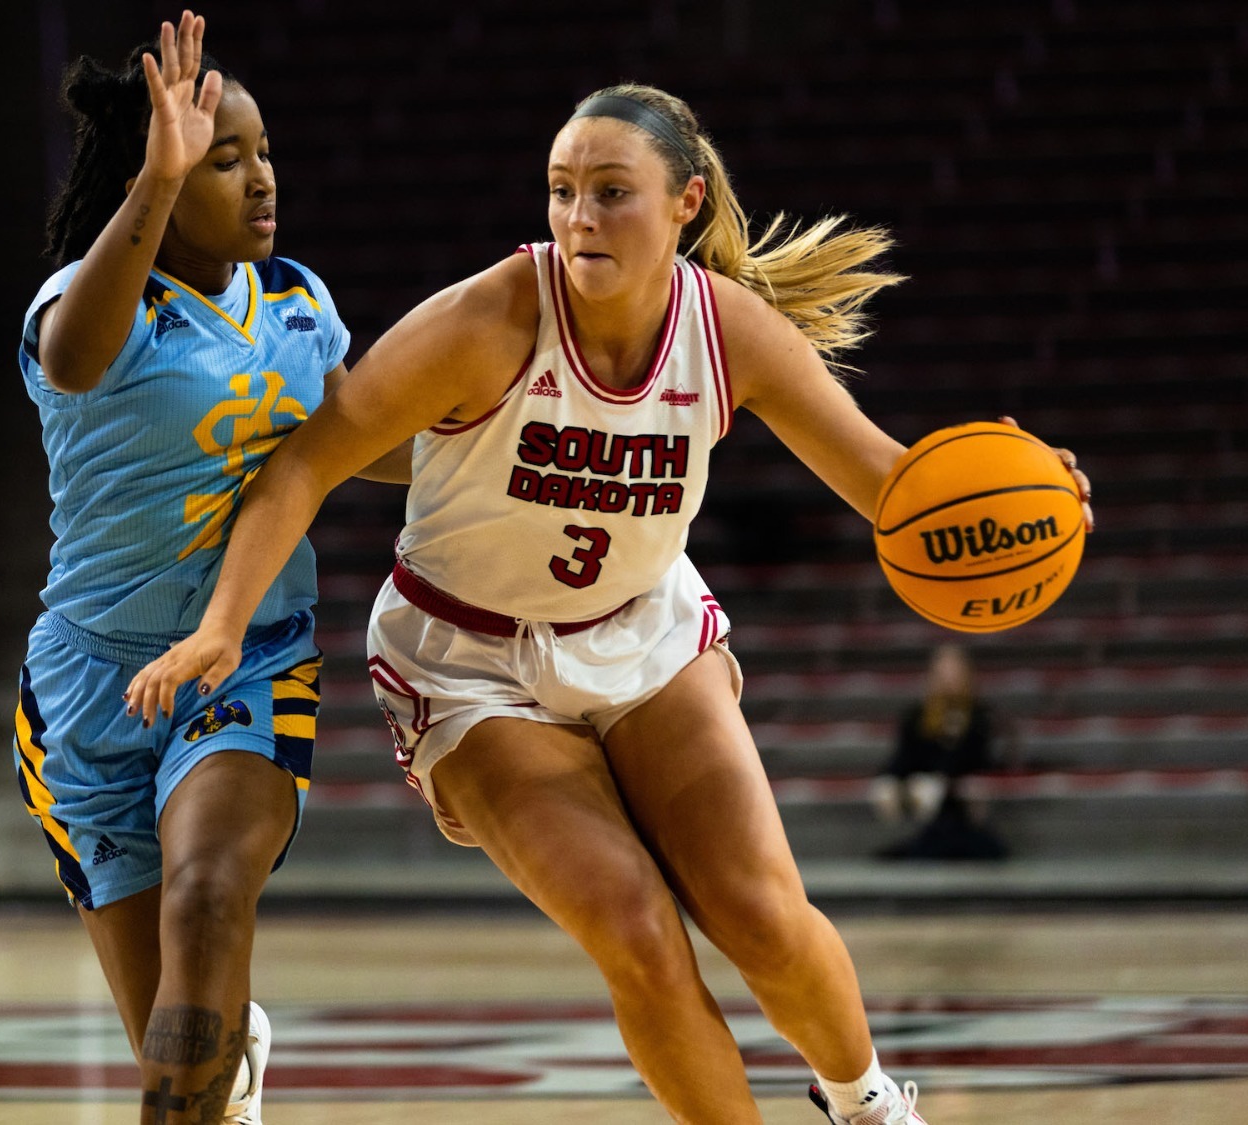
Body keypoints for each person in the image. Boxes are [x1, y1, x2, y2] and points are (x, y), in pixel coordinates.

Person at [128, 83, 1094, 1124]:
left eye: (608, 193)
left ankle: (863, 1102)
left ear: (683, 204)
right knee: (635, 927)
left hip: (642, 633)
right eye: (560, 192)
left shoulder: (727, 331)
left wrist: (1011, 497)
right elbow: (303, 465)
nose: (578, 217)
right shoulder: (484, 320)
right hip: (470, 663)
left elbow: (889, 488)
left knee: (759, 915)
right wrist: (220, 624)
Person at [18, 13, 401, 1123]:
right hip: (87, 690)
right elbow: (73, 361)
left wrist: (515, 448)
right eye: (221, 159)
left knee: (205, 900)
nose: (259, 177)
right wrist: (157, 179)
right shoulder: (84, 305)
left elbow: (361, 448)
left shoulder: (296, 302)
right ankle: (225, 1069)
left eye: (261, 151)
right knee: (175, 1045)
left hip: (247, 662)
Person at [872, 645, 1006, 861]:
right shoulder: (918, 715)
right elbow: (904, 757)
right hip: (925, 795)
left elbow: (981, 759)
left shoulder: (978, 715)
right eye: (943, 672)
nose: (949, 679)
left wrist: (944, 778)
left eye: (954, 671)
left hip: (960, 800)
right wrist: (890, 780)